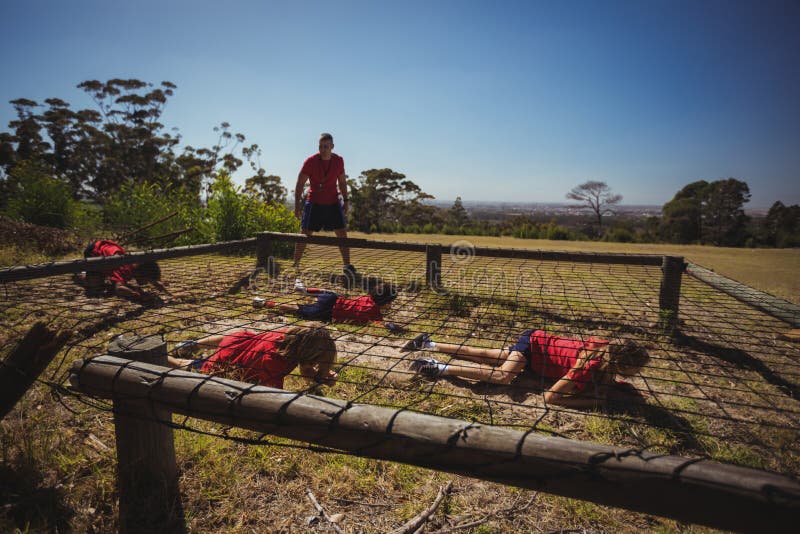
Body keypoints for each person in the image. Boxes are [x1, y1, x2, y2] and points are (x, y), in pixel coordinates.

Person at [403, 329, 650, 407]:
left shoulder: (604, 349)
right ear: (622, 364)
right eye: (636, 369)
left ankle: (429, 343)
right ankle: (437, 367)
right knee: (503, 376)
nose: (638, 374)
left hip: (537, 346)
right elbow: (551, 397)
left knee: (489, 356)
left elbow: (601, 379)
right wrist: (593, 401)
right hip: (534, 347)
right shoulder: (588, 365)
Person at [168, 321, 338, 389]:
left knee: (240, 335)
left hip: (238, 344)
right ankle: (160, 357)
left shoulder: (289, 337)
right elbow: (275, 398)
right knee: (188, 366)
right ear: (305, 353)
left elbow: (305, 369)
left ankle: (193, 345)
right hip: (228, 366)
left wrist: (318, 375)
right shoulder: (274, 363)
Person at [293, 132, 356, 277]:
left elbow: (342, 182)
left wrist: (346, 201)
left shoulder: (339, 161)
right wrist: (297, 206)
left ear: (332, 146)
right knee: (304, 235)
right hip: (314, 202)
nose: (322, 149)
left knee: (342, 234)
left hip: (333, 202)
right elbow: (300, 184)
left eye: (326, 146)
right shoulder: (310, 161)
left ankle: (347, 265)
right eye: (320, 146)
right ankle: (295, 264)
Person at [262, 280, 404, 333]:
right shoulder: (375, 314)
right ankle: (266, 303)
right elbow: (381, 326)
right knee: (298, 309)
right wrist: (395, 327)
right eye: (390, 302)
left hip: (334, 299)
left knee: (327, 292)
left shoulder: (367, 298)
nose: (391, 305)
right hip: (328, 313)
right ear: (385, 302)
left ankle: (305, 290)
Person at [76, 239, 169, 301]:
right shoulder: (124, 270)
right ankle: (81, 272)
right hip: (94, 251)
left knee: (108, 277)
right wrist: (137, 294)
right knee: (95, 283)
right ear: (141, 274)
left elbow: (152, 278)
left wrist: (169, 293)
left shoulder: (137, 265)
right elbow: (119, 288)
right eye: (147, 281)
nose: (147, 283)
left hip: (107, 248)